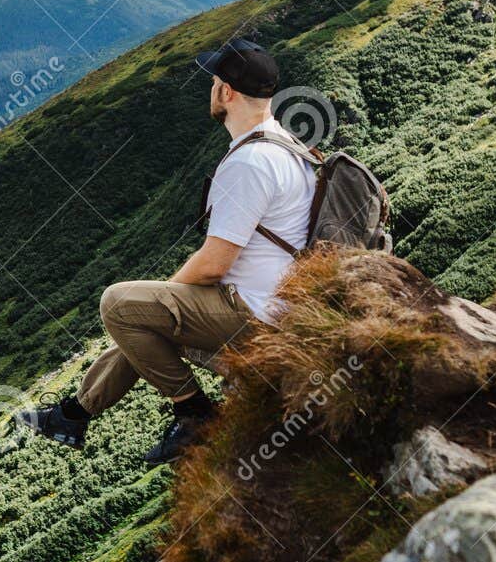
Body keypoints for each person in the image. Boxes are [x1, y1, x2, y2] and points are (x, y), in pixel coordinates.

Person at [19, 37, 316, 466]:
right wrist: (164, 304)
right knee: (143, 315)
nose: (211, 88)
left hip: (252, 314)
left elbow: (214, 265)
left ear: (226, 92)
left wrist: (165, 298)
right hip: (276, 305)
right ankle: (73, 414)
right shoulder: (288, 147)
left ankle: (193, 412)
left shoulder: (249, 163)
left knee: (119, 304)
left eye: (213, 81)